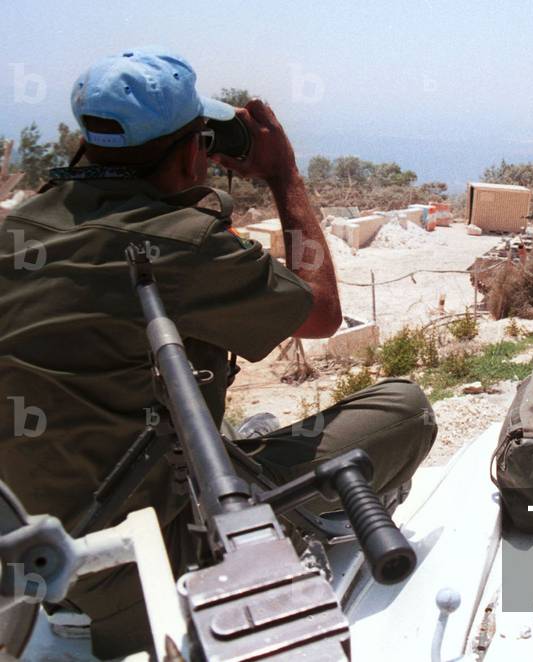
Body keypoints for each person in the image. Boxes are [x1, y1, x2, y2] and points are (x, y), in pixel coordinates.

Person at [0, 48, 435, 658]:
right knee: (406, 409)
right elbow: (320, 310)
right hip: (148, 571)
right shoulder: (181, 244)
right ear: (189, 152)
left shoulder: (17, 232)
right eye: (203, 141)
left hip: (32, 554)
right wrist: (284, 175)